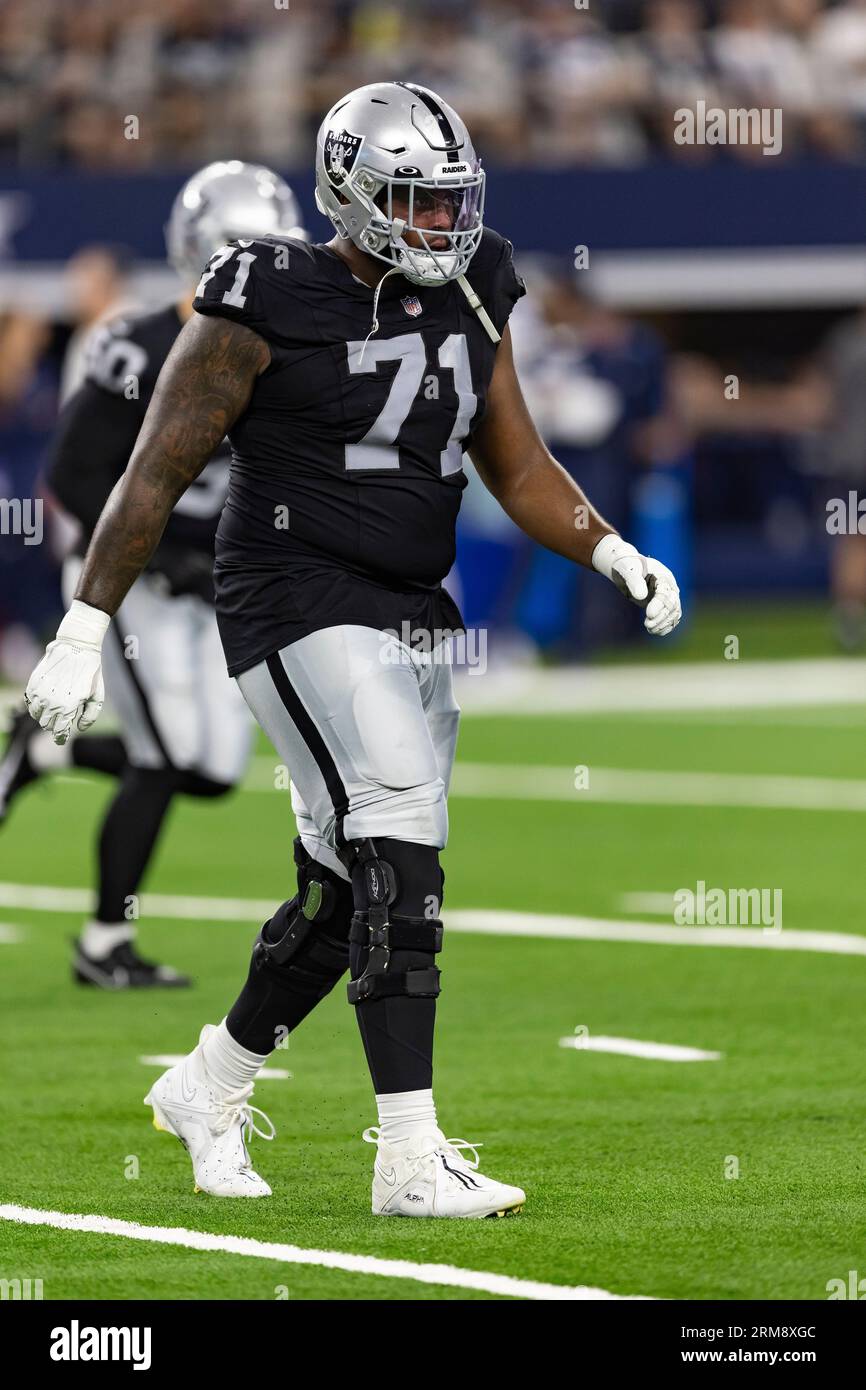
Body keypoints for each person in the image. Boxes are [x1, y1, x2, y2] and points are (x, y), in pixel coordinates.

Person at [22, 83, 681, 1216]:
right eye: (412, 203)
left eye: (448, 202)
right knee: (399, 851)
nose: (439, 226)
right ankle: (408, 1156)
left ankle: (209, 1083)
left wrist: (608, 547)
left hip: (411, 602)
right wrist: (86, 624)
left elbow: (512, 459)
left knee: (343, 891)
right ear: (349, 193)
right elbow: (156, 467)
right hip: (291, 594)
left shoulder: (478, 281)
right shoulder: (258, 296)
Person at [1, 161, 306, 989]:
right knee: (166, 754)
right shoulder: (137, 346)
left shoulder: (290, 353)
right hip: (128, 576)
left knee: (209, 770)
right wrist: (163, 551)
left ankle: (45, 755)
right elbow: (72, 473)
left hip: (210, 585)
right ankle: (105, 945)